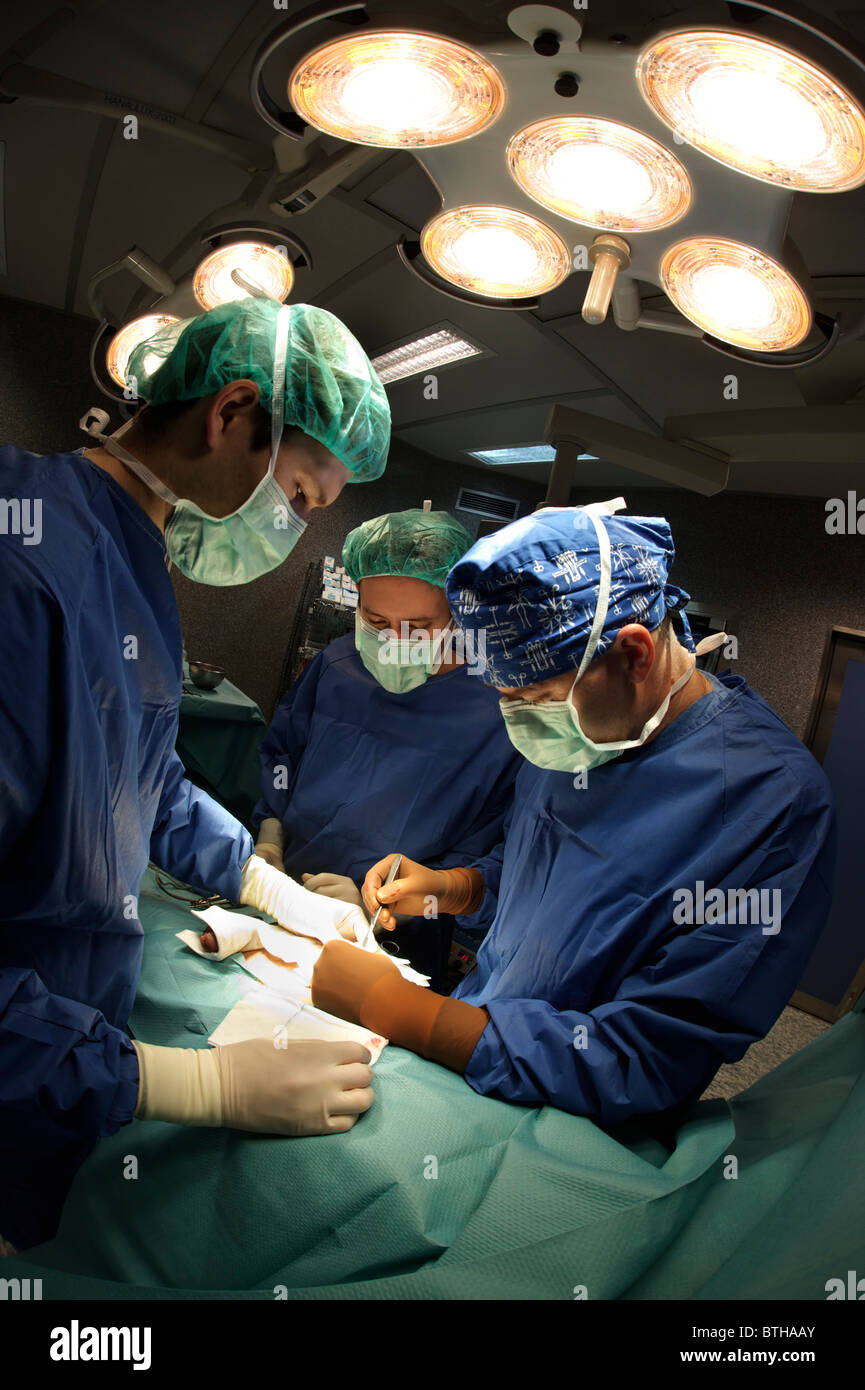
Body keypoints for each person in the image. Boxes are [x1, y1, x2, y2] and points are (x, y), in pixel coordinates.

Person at [0, 297, 391, 1253]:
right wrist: (189, 1084)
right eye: (299, 496)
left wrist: (272, 891)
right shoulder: (21, 566)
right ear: (232, 414)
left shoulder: (129, 557)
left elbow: (145, 778)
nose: (294, 528)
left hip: (60, 1045)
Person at [310, 500, 836, 1129]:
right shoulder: (587, 729)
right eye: (507, 697)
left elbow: (646, 1062)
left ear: (635, 655)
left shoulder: (770, 804)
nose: (523, 719)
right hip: (468, 1044)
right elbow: (537, 862)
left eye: (537, 698)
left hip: (572, 1127)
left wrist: (412, 1014)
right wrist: (455, 888)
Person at [252, 509, 522, 988]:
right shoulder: (337, 665)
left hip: (397, 946)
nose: (395, 643)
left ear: (459, 614)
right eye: (376, 621)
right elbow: (282, 755)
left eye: (418, 627)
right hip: (283, 896)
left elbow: (502, 855)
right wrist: (269, 837)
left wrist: (382, 902)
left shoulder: (500, 710)